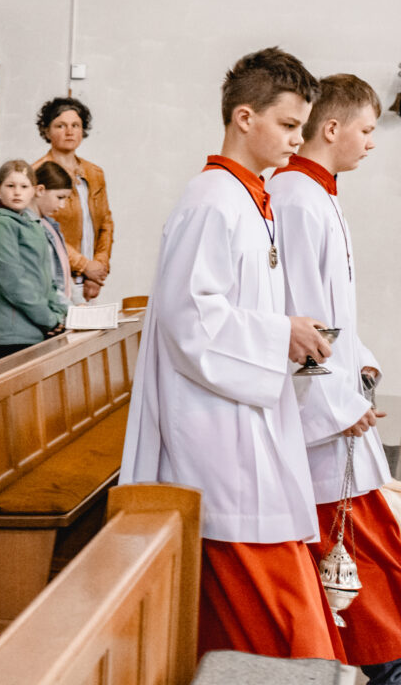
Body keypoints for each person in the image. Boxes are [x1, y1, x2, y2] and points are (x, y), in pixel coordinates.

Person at [121, 47, 341, 662]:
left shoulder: (248, 197)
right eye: (288, 124)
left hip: (245, 418)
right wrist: (279, 333)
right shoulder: (211, 200)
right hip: (216, 432)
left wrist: (290, 333)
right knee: (268, 601)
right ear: (245, 118)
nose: (297, 139)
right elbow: (189, 319)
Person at [271, 74, 401, 679]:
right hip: (319, 419)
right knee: (362, 569)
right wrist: (337, 404)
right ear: (332, 128)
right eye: (367, 130)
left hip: (337, 404)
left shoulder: (318, 193)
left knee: (375, 565)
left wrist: (361, 358)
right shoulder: (297, 197)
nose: (372, 142)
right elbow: (299, 313)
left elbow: (333, 307)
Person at [0, 159, 67, 360]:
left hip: (36, 326)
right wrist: (49, 319)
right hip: (11, 333)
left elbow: (45, 277)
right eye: (10, 186)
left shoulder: (32, 224)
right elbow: (13, 282)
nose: (17, 193)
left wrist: (59, 313)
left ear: (34, 190)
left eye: (24, 187)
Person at [34, 97, 114, 301]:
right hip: (55, 278)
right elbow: (40, 229)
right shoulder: (37, 172)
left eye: (75, 125)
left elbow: (105, 223)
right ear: (47, 131)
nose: (69, 132)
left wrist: (97, 270)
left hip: (91, 280)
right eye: (60, 126)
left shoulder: (95, 172)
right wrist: (84, 266)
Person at [30, 161, 74, 306]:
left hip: (61, 307)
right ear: (40, 190)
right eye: (60, 197)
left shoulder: (50, 225)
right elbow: (43, 282)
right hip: (48, 308)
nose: (62, 205)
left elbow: (64, 272)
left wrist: (79, 302)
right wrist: (69, 308)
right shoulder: (28, 227)